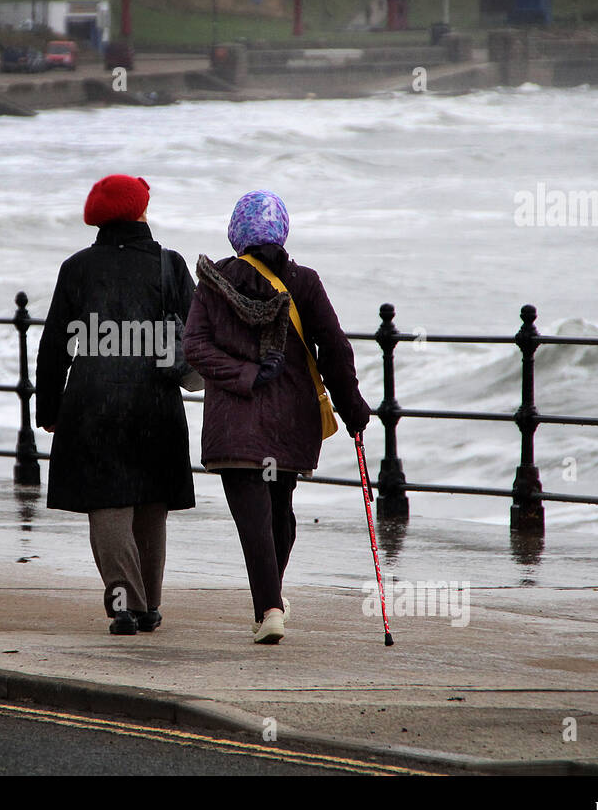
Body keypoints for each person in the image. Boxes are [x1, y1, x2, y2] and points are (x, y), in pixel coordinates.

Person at [183, 190, 370, 644]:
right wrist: (353, 409)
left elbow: (194, 347)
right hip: (291, 422)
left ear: (235, 234)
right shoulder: (303, 282)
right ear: (281, 230)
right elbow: (335, 349)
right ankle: (272, 602)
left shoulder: (212, 283)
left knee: (254, 519)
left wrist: (243, 374)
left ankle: (269, 606)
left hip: (233, 425)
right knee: (280, 512)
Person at [35, 175, 196, 635]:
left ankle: (124, 605)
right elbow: (196, 333)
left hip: (92, 401)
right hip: (155, 400)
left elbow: (53, 346)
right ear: (140, 212)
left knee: (108, 504)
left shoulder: (77, 267)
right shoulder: (170, 264)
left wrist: (49, 410)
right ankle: (150, 606)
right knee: (151, 502)